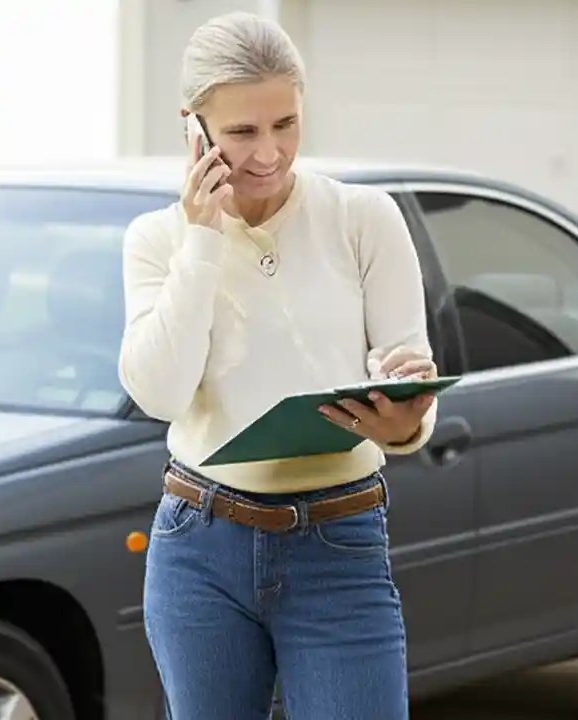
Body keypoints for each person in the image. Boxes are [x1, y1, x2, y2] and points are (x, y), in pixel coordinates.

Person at [118, 11, 439, 720]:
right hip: (199, 546)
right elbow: (162, 393)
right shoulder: (156, 241)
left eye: (285, 124)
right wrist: (201, 241)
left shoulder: (365, 220)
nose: (269, 153)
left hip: (340, 543)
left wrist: (405, 415)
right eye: (241, 132)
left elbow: (411, 376)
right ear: (192, 130)